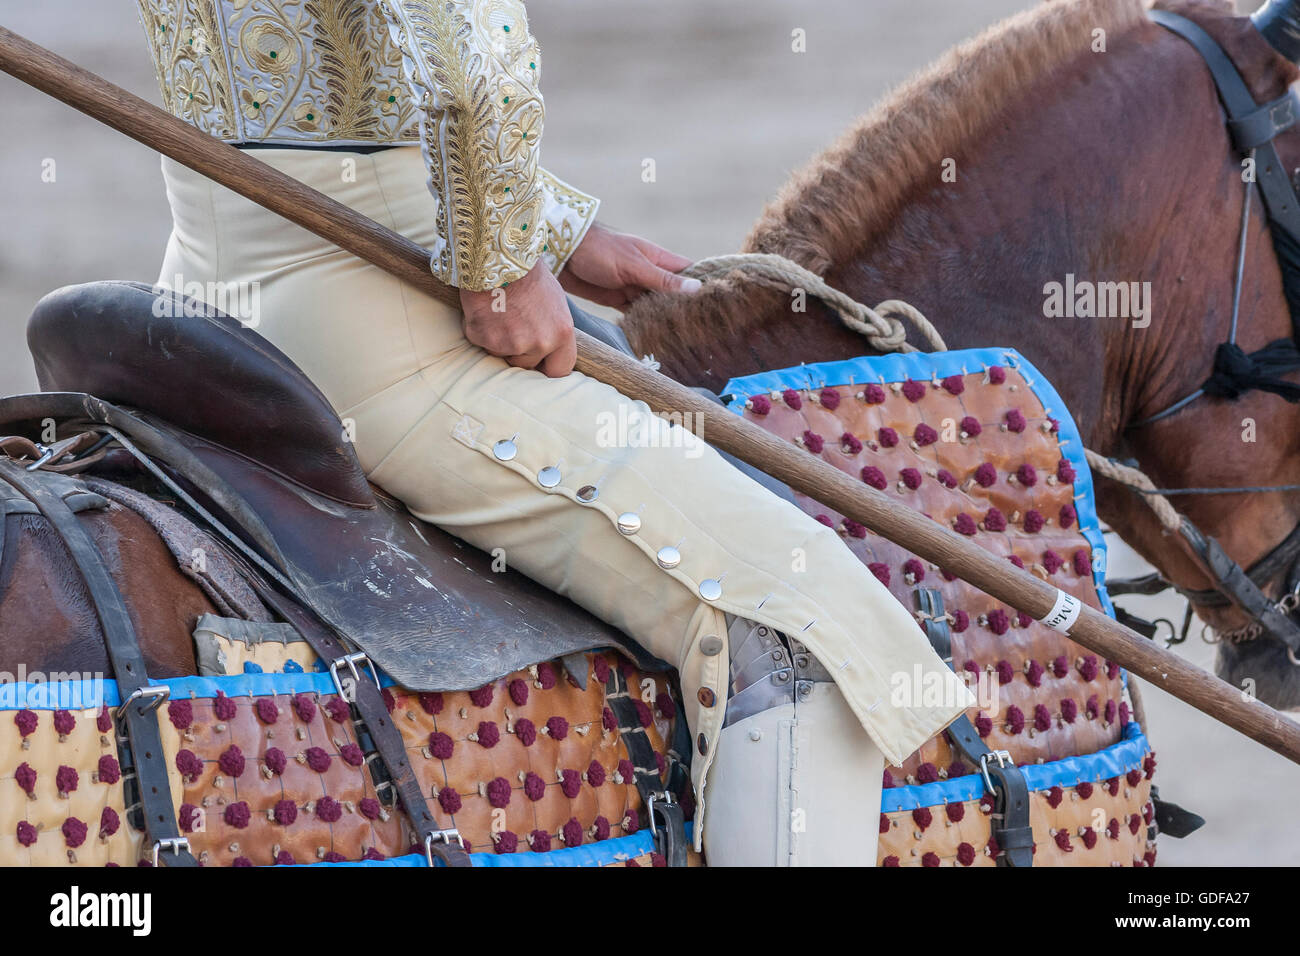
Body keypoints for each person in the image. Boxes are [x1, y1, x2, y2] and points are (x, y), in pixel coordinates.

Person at [135, 0, 971, 865]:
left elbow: (338, 105)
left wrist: (549, 228)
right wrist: (500, 266)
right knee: (801, 633)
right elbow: (467, 68)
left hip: (204, 303)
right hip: (376, 336)